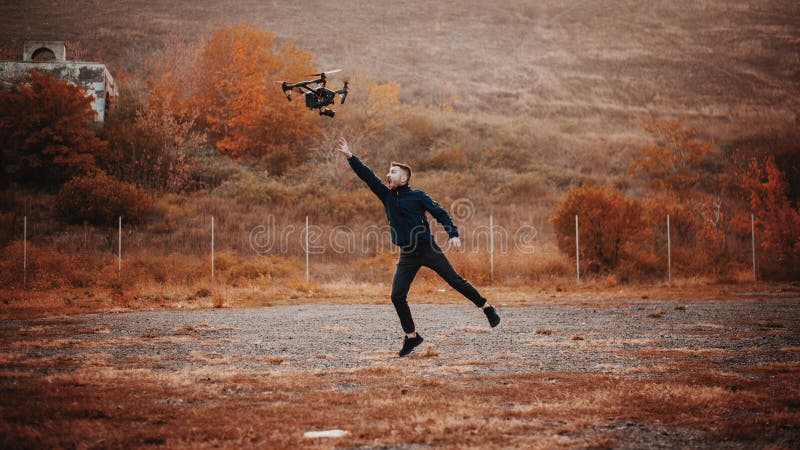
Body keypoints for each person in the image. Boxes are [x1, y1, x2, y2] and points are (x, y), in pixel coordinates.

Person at [335, 137, 500, 357]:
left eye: (393, 172)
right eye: (388, 172)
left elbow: (441, 213)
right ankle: (412, 337)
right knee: (397, 296)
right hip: (407, 254)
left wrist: (453, 234)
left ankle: (487, 307)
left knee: (454, 281)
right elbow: (369, 177)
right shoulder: (386, 196)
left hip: (428, 248)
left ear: (403, 178)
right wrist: (351, 157)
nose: (388, 174)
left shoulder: (418, 196)